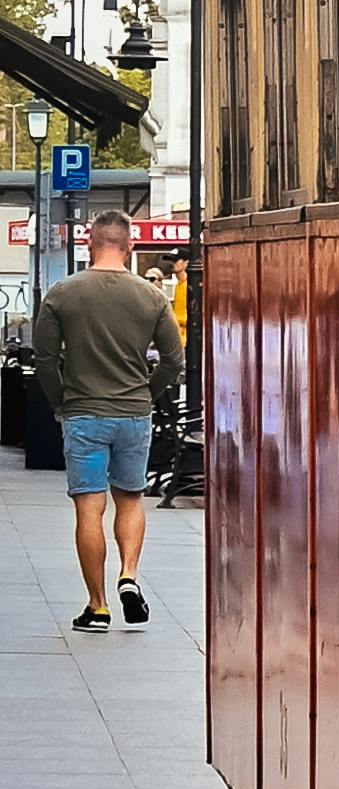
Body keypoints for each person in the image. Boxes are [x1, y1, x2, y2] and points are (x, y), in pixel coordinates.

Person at [37, 214, 182, 631]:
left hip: (83, 413)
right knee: (131, 499)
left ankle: (97, 606)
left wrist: (60, 402)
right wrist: (146, 395)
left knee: (89, 508)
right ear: (131, 246)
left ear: (89, 244)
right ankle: (129, 576)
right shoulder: (151, 297)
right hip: (133, 415)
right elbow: (173, 360)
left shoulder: (63, 294)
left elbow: (46, 360)